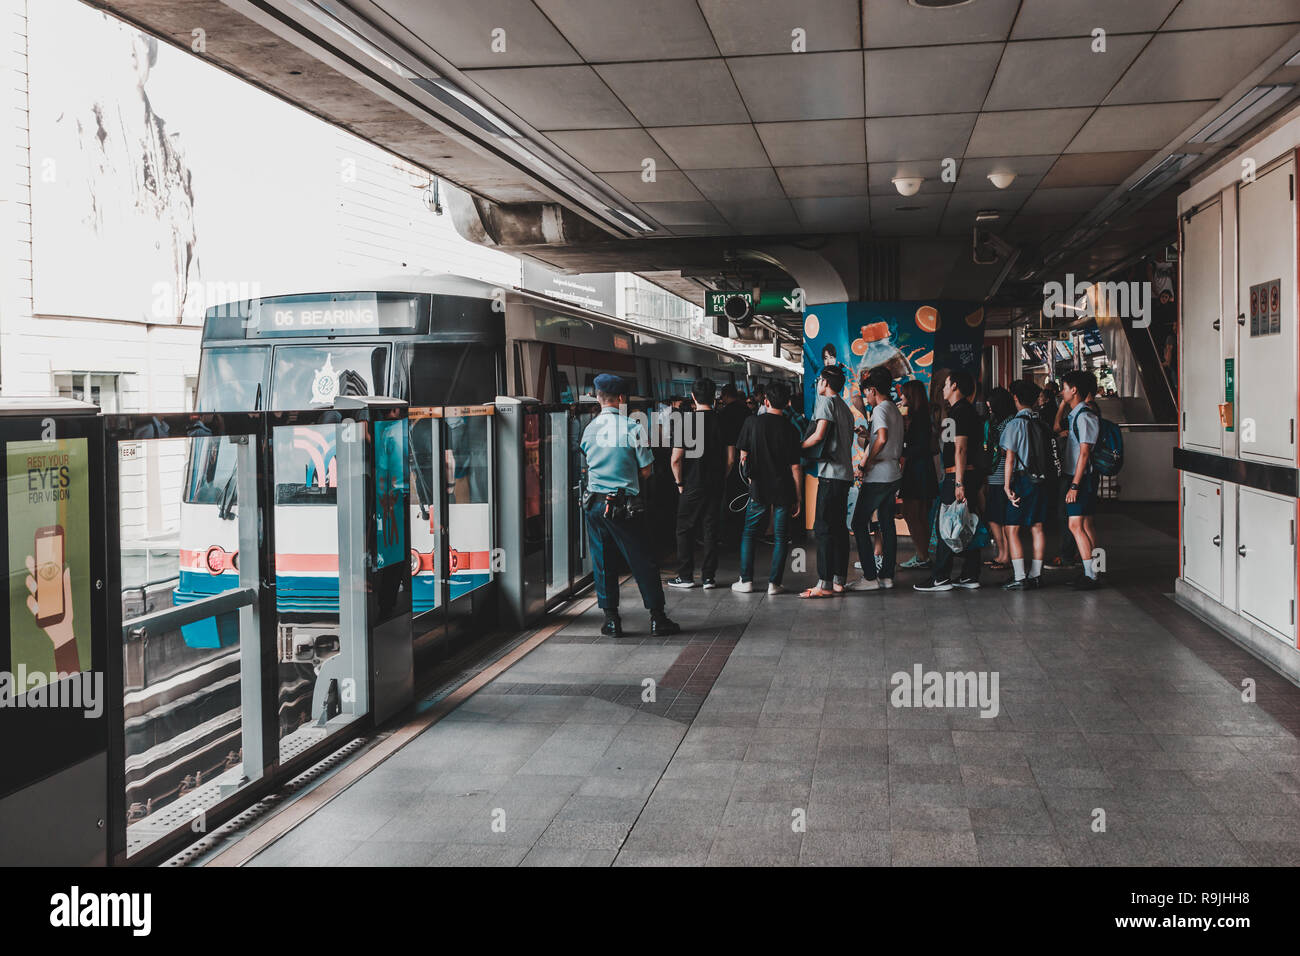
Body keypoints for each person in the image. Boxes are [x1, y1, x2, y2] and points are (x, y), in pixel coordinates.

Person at [579, 374, 680, 637]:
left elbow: (587, 460)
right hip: (624, 506)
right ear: (622, 398)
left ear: (598, 398)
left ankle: (611, 620)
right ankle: (657, 618)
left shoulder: (589, 429)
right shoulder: (633, 428)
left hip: (594, 505)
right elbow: (646, 470)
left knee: (603, 561)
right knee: (642, 560)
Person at [915, 368, 982, 592]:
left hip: (958, 475)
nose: (942, 388)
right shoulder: (962, 411)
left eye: (945, 384)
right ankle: (970, 574)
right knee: (966, 521)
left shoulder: (960, 412)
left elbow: (960, 449)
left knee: (945, 523)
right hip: (966, 474)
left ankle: (941, 576)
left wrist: (959, 482)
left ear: (954, 386)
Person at [732, 381, 802, 594]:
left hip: (759, 487)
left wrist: (750, 478)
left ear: (766, 401)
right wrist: (798, 497)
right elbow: (795, 467)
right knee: (781, 537)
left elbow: (743, 456)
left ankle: (746, 581)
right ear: (787, 403)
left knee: (749, 533)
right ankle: (774, 584)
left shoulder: (752, 422)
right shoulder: (791, 429)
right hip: (783, 489)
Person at [800, 365, 854, 598]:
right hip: (844, 475)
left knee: (823, 528)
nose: (817, 385)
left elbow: (819, 434)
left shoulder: (826, 402)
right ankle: (839, 581)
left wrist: (798, 447)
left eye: (818, 381)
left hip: (831, 475)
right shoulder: (844, 407)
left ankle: (824, 584)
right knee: (839, 528)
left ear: (825, 382)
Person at [667, 378, 726, 590]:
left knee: (684, 529)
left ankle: (686, 576)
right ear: (714, 397)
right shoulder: (722, 420)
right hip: (715, 483)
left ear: (693, 397)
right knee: (710, 530)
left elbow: (676, 459)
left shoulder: (686, 422)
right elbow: (730, 458)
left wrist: (679, 482)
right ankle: (709, 578)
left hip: (692, 484)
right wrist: (721, 476)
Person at [848, 366, 904, 590]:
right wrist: (867, 435)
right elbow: (883, 438)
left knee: (858, 522)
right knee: (887, 523)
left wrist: (865, 463)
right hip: (893, 474)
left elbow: (882, 438)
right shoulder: (893, 409)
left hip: (878, 476)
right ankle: (887, 576)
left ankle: (870, 577)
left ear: (872, 390)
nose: (866, 398)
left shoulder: (880, 410)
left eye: (866, 393)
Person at [1000, 380, 1049, 590]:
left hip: (1022, 480)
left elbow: (1010, 458)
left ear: (1016, 399)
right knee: (1037, 527)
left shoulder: (1015, 424)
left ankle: (1020, 577)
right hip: (1041, 480)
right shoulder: (1041, 423)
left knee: (1012, 528)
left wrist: (1006, 485)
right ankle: (1036, 575)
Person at [1060, 369, 1102, 589]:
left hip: (1081, 478)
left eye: (1064, 388)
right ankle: (1095, 570)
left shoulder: (1084, 416)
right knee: (1085, 524)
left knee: (1075, 524)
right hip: (1084, 477)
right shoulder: (1078, 414)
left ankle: (1090, 575)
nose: (1062, 392)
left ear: (1074, 390)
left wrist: (1074, 485)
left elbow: (1084, 453)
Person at [896, 379, 935, 569]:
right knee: (919, 514)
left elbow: (917, 447)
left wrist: (900, 450)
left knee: (911, 513)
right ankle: (923, 554)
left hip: (916, 470)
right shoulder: (923, 416)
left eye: (904, 393)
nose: (901, 396)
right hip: (923, 469)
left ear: (911, 396)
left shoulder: (918, 419)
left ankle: (922, 556)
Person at [983, 387, 1015, 571]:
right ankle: (1002, 554)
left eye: (991, 406)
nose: (989, 409)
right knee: (995, 518)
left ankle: (1006, 556)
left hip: (1003, 477)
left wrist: (991, 445)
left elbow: (1006, 450)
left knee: (1000, 518)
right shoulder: (997, 421)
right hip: (995, 476)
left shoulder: (1009, 423)